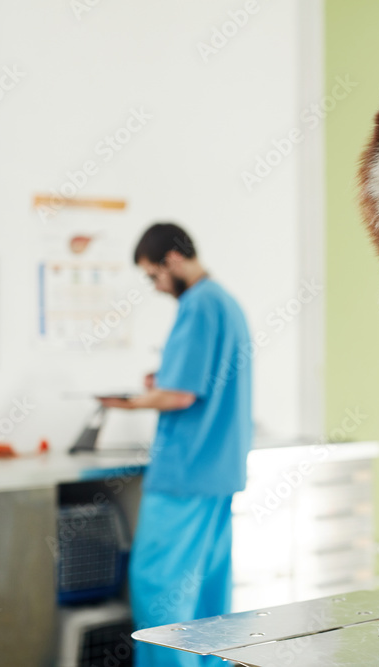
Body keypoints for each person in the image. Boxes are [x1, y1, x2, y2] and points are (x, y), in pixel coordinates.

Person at [99, 222, 252, 666]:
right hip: (219, 471)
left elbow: (181, 395)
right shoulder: (225, 303)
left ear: (171, 259)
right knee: (208, 595)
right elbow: (194, 382)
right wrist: (163, 381)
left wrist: (127, 402)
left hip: (186, 473)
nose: (155, 286)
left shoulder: (197, 304)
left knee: (159, 591)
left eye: (153, 275)